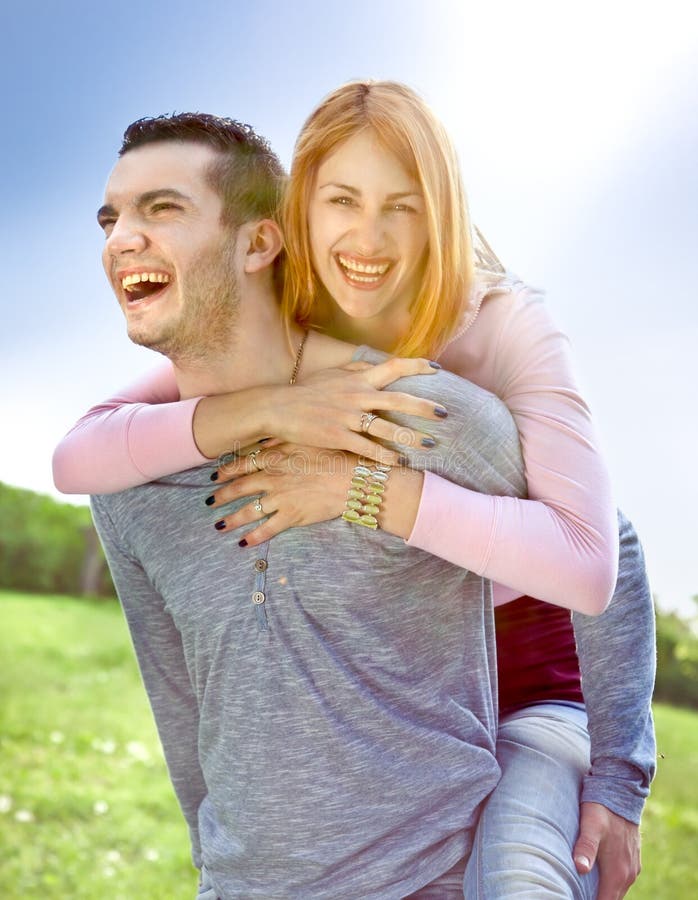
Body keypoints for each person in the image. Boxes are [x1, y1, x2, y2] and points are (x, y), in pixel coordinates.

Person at [52, 83, 656, 897]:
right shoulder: (137, 464)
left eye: (161, 209)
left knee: (522, 876)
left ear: (258, 241)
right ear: (303, 219)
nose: (125, 240)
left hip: (536, 694)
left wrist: (619, 777)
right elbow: (79, 468)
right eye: (341, 201)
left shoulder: (461, 362)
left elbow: (599, 552)